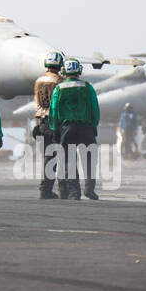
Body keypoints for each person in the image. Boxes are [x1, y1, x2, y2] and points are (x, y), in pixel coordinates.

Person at [49, 58, 100, 200]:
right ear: (79, 70)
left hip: (67, 128)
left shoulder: (59, 88)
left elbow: (54, 110)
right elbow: (94, 108)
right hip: (86, 127)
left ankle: (74, 192)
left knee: (69, 160)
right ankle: (89, 189)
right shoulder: (87, 87)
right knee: (89, 158)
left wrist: (54, 128)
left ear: (64, 71)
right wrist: (94, 125)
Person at [32, 51, 64, 198]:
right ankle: (58, 190)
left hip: (42, 123)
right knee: (61, 157)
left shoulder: (38, 80)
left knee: (48, 156)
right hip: (55, 123)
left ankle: (45, 189)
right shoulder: (59, 81)